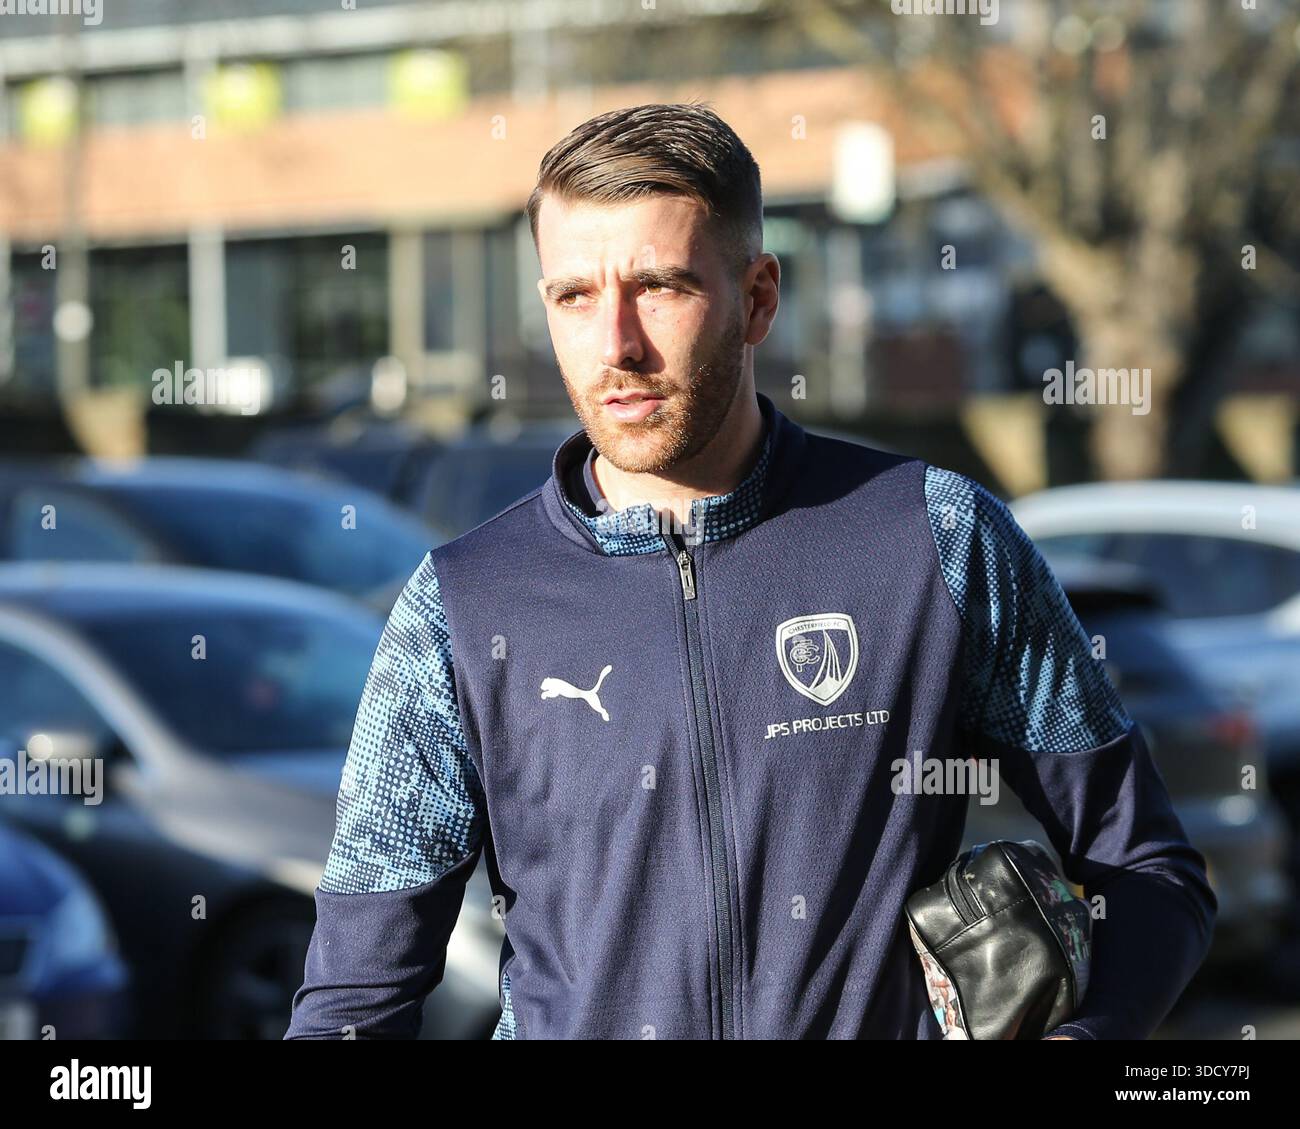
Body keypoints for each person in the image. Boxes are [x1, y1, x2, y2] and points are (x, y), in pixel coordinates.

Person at [284, 102, 1216, 1040]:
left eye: (660, 287)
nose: (617, 345)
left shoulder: (932, 536)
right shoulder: (460, 606)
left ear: (759, 296)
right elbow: (354, 1003)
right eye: (573, 295)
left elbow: (1145, 868)